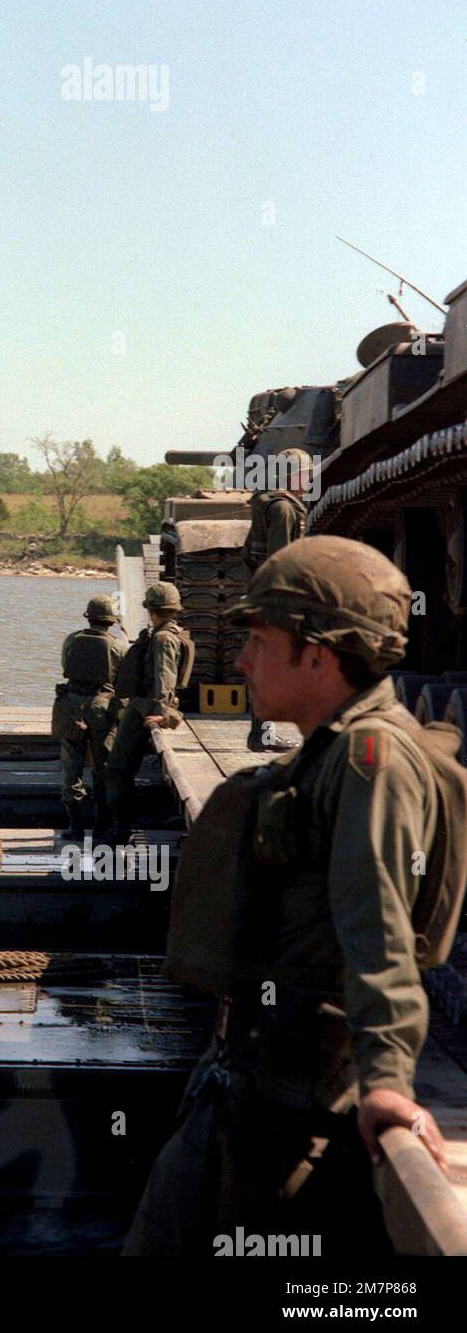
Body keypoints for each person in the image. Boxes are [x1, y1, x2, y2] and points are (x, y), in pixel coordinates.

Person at [125, 535, 453, 1256]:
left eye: (258, 641)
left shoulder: (372, 760)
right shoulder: (327, 752)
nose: (240, 660)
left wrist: (388, 1080)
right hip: (247, 1081)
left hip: (294, 1104)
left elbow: (379, 927)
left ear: (318, 654)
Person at [101, 581, 193, 845]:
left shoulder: (163, 638)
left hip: (144, 707)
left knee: (117, 769)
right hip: (144, 705)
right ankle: (122, 826)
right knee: (119, 769)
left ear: (151, 609)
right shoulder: (165, 634)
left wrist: (164, 714)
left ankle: (121, 830)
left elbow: (165, 678)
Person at [243, 447, 313, 751]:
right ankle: (262, 734)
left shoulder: (268, 502)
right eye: (306, 472)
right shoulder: (283, 508)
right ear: (292, 473)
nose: (310, 478)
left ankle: (261, 732)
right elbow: (280, 559)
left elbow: (249, 553)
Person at [53, 594, 124, 840]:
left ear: (89, 617)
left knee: (71, 767)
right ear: (111, 621)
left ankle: (75, 827)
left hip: (71, 705)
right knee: (103, 767)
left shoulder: (71, 640)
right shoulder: (118, 646)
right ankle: (102, 827)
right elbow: (122, 681)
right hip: (100, 707)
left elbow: (65, 666)